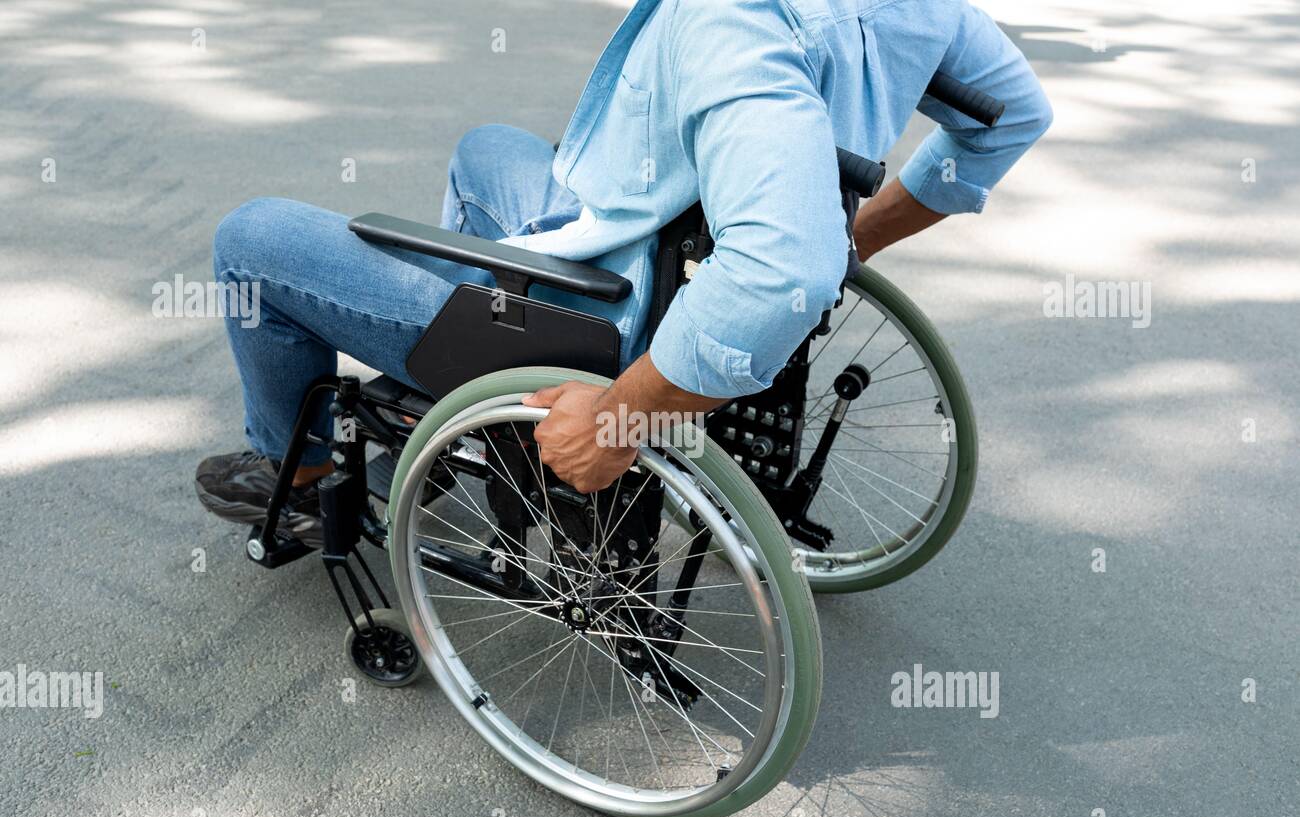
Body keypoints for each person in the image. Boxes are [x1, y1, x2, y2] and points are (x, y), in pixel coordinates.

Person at [196, 0, 1051, 543]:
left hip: (606, 321)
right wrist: (852, 241)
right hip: (637, 250)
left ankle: (298, 473)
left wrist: (616, 419)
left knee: (248, 238)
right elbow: (1014, 113)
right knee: (486, 150)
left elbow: (780, 264)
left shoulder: (736, 23)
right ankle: (448, 412)